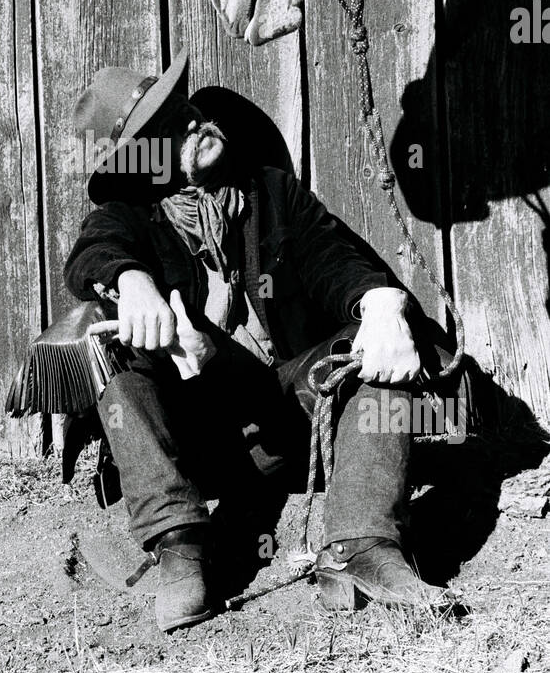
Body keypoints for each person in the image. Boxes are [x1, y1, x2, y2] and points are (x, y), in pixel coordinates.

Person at [64, 47, 464, 632]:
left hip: (291, 416)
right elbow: (91, 255)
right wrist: (131, 282)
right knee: (106, 340)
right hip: (198, 444)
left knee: (373, 338)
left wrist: (379, 304)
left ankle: (360, 545)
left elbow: (338, 262)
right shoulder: (130, 216)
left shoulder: (272, 193)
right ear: (141, 163)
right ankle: (179, 544)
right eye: (168, 127)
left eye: (187, 108)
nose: (194, 121)